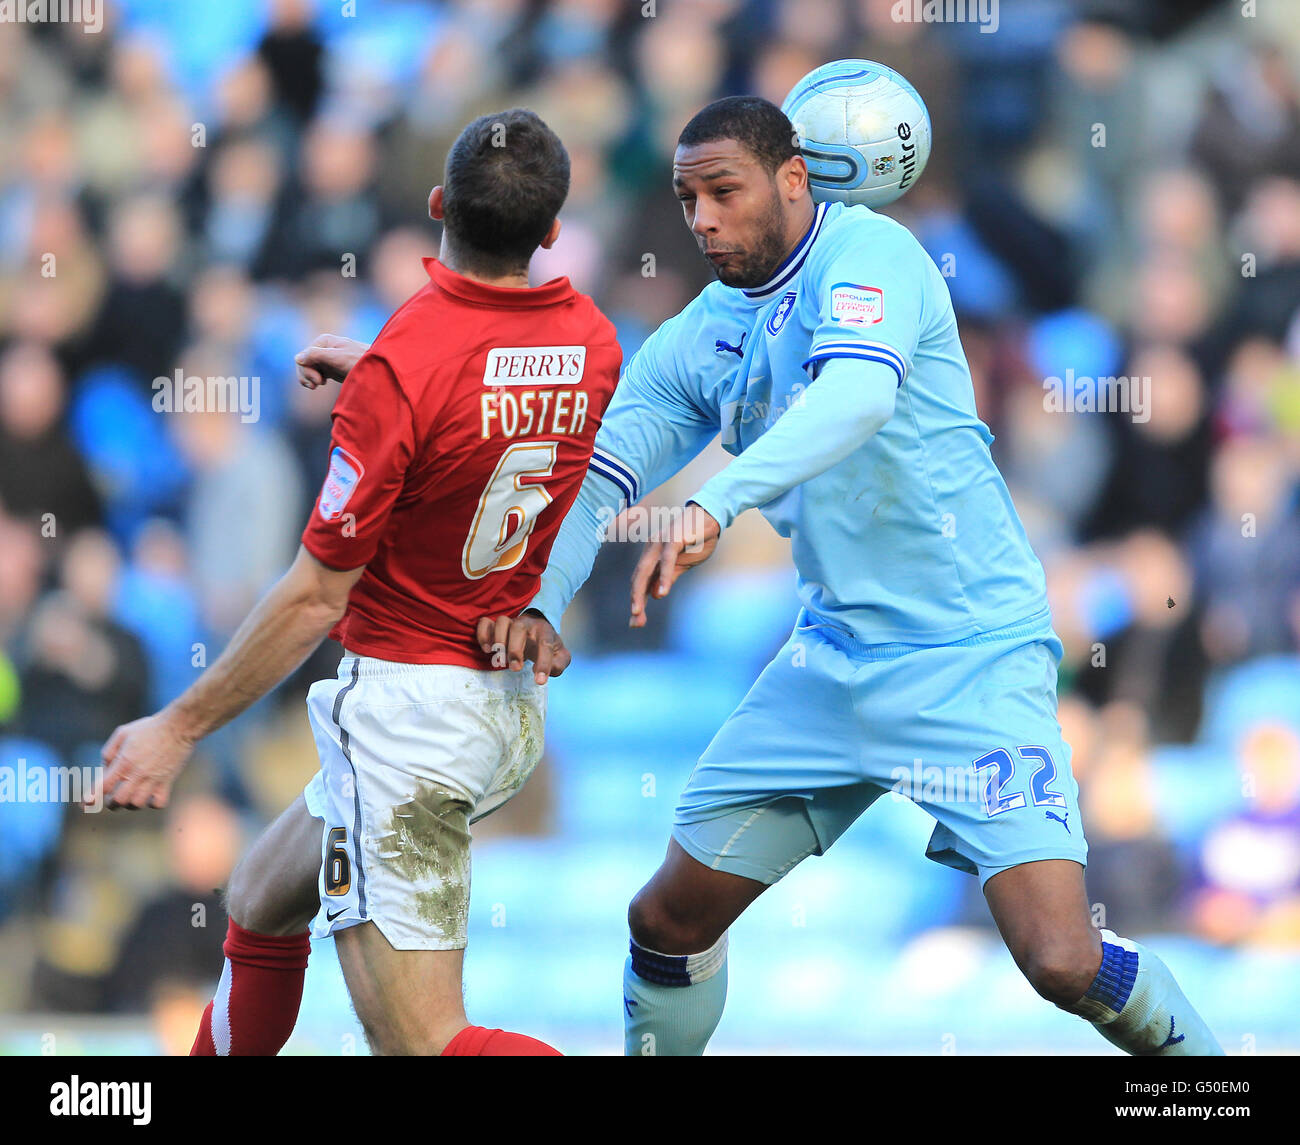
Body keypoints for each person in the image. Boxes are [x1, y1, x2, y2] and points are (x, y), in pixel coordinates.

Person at [488, 95, 1222, 1056]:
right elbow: (600, 480)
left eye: (724, 190)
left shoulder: (873, 254)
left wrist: (717, 499)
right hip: (829, 665)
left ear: (795, 178)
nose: (702, 217)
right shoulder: (700, 336)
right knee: (667, 920)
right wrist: (543, 599)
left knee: (1060, 959)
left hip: (970, 654)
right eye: (686, 197)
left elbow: (859, 393)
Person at [90, 108, 622, 1057]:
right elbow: (490, 398)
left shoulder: (410, 362)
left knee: (420, 1041)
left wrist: (178, 726)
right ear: (549, 232)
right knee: (258, 899)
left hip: (410, 718)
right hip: (498, 699)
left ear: (434, 207)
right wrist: (385, 378)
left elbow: (312, 596)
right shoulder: (593, 340)